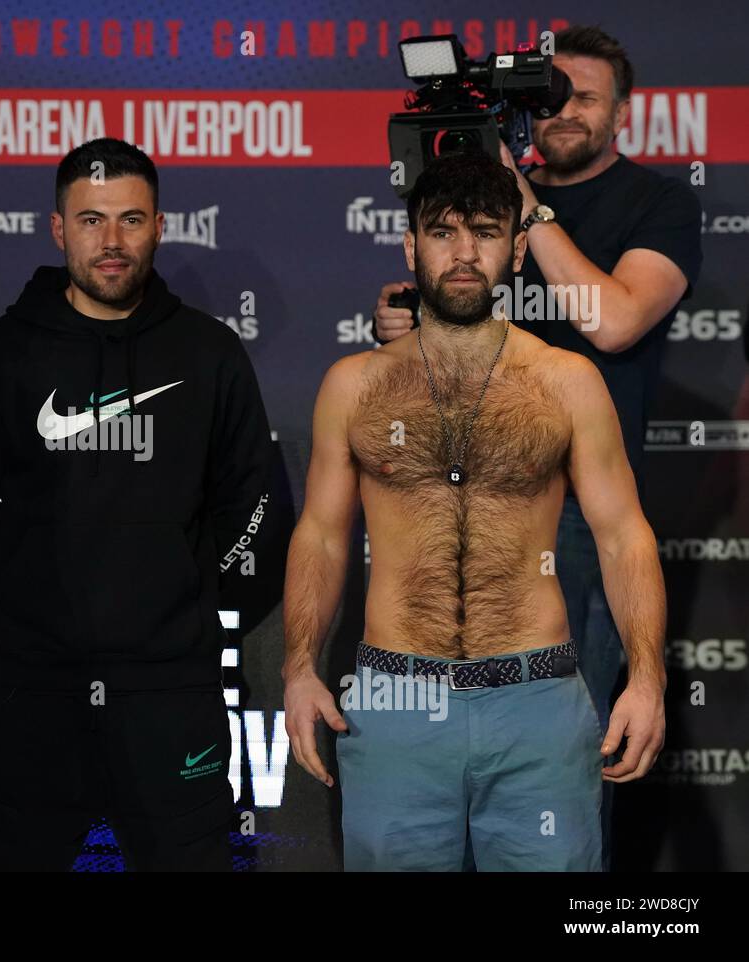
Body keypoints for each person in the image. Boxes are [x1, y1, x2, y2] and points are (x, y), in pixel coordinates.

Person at [372, 25, 700, 867]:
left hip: (581, 517)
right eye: (545, 95)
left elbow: (615, 320)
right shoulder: (479, 210)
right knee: (448, 764)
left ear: (621, 114)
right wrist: (404, 331)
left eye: (582, 96)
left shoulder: (656, 203)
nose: (561, 112)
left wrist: (528, 205)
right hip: (468, 503)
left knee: (564, 765)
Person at [286, 150, 667, 871]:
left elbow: (624, 538)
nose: (464, 253)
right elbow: (323, 536)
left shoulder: (566, 381)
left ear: (517, 248)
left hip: (537, 706)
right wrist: (300, 668)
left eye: (486, 232)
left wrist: (647, 679)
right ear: (410, 244)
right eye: (443, 232)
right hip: (397, 705)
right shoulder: (354, 386)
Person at [0, 138, 279, 872]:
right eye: (91, 220)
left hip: (170, 689)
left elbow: (252, 502)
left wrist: (179, 601)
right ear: (59, 228)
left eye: (131, 220)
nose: (113, 241)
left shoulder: (208, 353)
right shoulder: (0, 356)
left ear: (160, 225)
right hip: (31, 688)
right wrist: (34, 596)